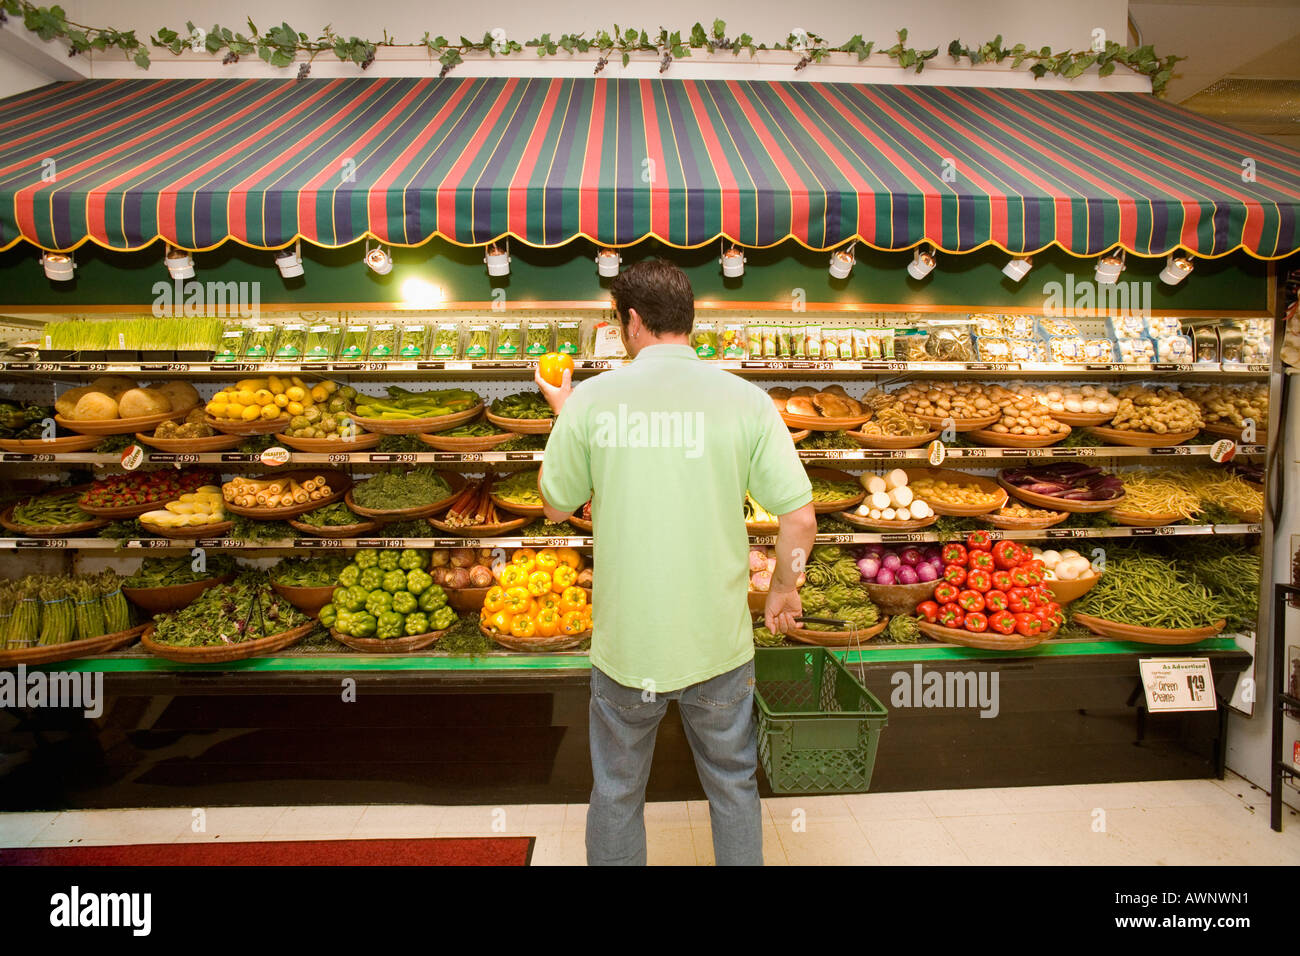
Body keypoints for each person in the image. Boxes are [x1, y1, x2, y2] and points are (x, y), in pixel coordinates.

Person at [534, 258, 816, 866]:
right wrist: (783, 589)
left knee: (615, 791)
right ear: (689, 320)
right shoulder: (745, 399)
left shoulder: (594, 400)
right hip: (717, 645)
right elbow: (798, 518)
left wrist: (565, 411)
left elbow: (557, 506)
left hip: (628, 647)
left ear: (631, 321)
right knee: (734, 785)